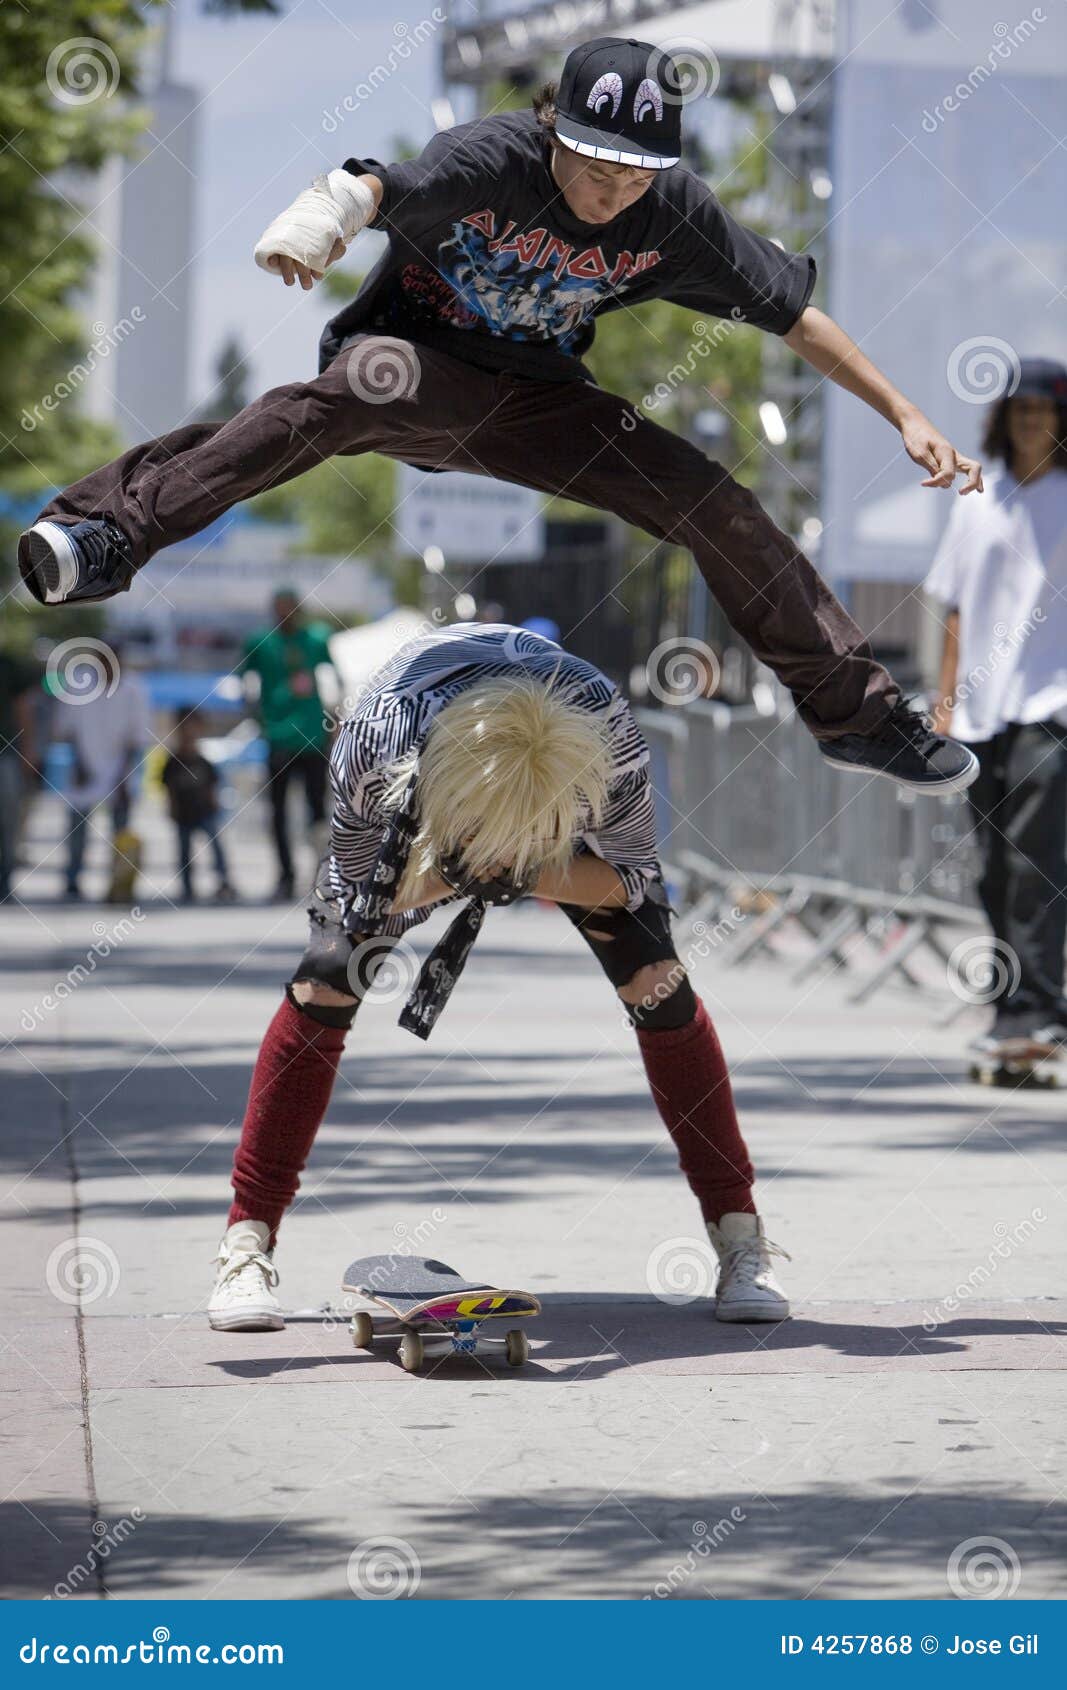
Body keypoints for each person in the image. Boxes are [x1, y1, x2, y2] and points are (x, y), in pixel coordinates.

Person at [20, 37, 980, 798]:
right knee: (351, 387)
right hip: (419, 372)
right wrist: (324, 217)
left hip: (541, 404)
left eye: (634, 180)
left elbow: (792, 314)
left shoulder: (672, 214)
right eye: (596, 172)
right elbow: (383, 184)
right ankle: (107, 531)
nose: (612, 200)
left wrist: (903, 411)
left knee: (713, 501)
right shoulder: (494, 158)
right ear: (551, 127)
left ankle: (856, 718)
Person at [207, 622, 790, 1333]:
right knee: (325, 983)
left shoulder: (609, 741)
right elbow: (360, 897)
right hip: (423, 808)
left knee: (659, 987)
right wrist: (450, 868)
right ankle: (245, 1244)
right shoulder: (372, 742)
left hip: (551, 801)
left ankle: (739, 1238)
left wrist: (532, 865)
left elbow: (626, 885)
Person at [927, 356, 1067, 1050]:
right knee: (989, 864)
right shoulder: (976, 499)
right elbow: (953, 609)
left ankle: (1039, 1004)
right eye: (1021, 410)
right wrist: (944, 699)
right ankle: (1011, 997)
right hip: (982, 710)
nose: (1032, 421)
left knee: (1033, 860)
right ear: (1003, 419)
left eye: (1043, 410)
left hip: (1052, 703)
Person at [238, 589, 336, 900]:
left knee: (318, 811)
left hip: (312, 739)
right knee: (278, 812)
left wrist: (332, 723)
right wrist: (257, 717)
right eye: (281, 609)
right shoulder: (261, 642)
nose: (287, 615)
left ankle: (322, 875)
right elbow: (245, 682)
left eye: (291, 609)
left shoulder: (317, 639)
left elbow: (333, 679)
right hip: (279, 739)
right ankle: (285, 876)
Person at [57, 644, 149, 901]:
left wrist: (123, 776)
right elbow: (68, 731)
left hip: (120, 772)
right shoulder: (79, 685)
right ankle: (72, 880)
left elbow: (136, 740)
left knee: (120, 833)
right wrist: (79, 766)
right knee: (76, 830)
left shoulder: (134, 689)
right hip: (84, 768)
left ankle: (118, 885)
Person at [160, 710, 237, 904]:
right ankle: (187, 887)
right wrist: (171, 808)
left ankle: (223, 881)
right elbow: (168, 788)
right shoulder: (172, 762)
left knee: (217, 848)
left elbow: (213, 787)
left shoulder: (203, 761)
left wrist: (214, 805)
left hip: (205, 813)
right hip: (183, 815)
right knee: (184, 852)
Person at [0, 649, 41, 903]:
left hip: (5, 755)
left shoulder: (8, 664)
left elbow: (22, 706)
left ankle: (4, 878)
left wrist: (28, 750)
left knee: (8, 819)